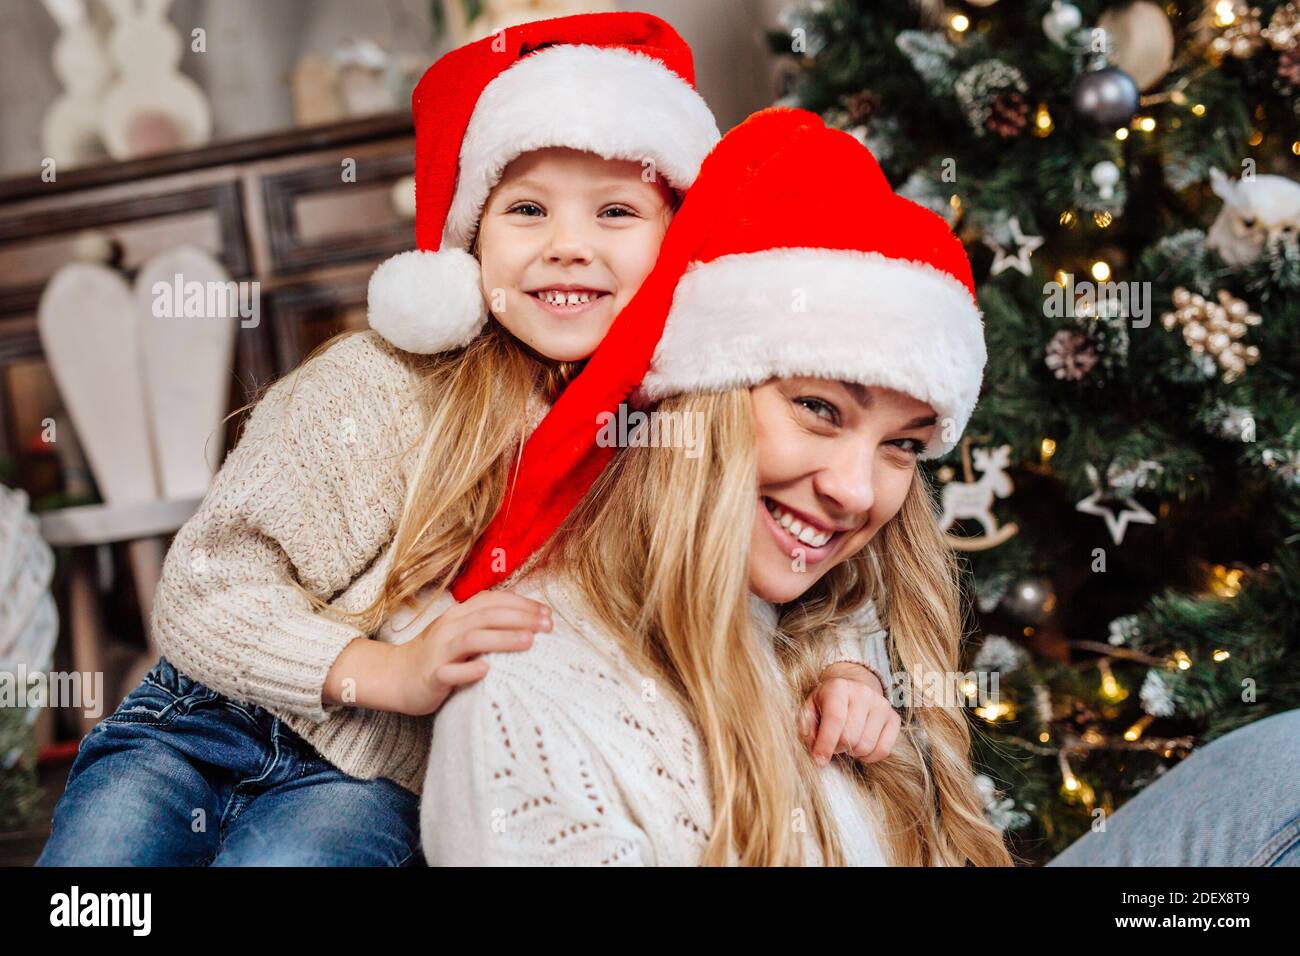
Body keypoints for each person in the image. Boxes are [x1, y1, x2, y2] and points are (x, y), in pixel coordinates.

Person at [420, 107, 1012, 865]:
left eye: (903, 444)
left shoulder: (835, 636)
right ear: (701, 397)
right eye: (819, 410)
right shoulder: (524, 699)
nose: (858, 492)